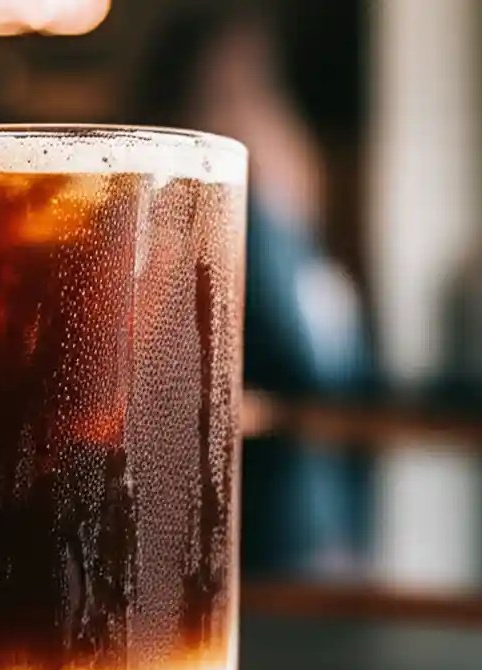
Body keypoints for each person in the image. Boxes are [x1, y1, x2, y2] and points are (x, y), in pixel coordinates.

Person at [135, 5, 373, 579]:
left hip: (303, 522)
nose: (261, 116)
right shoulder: (234, 226)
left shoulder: (279, 231)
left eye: (260, 90)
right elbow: (300, 365)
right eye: (232, 93)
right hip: (272, 534)